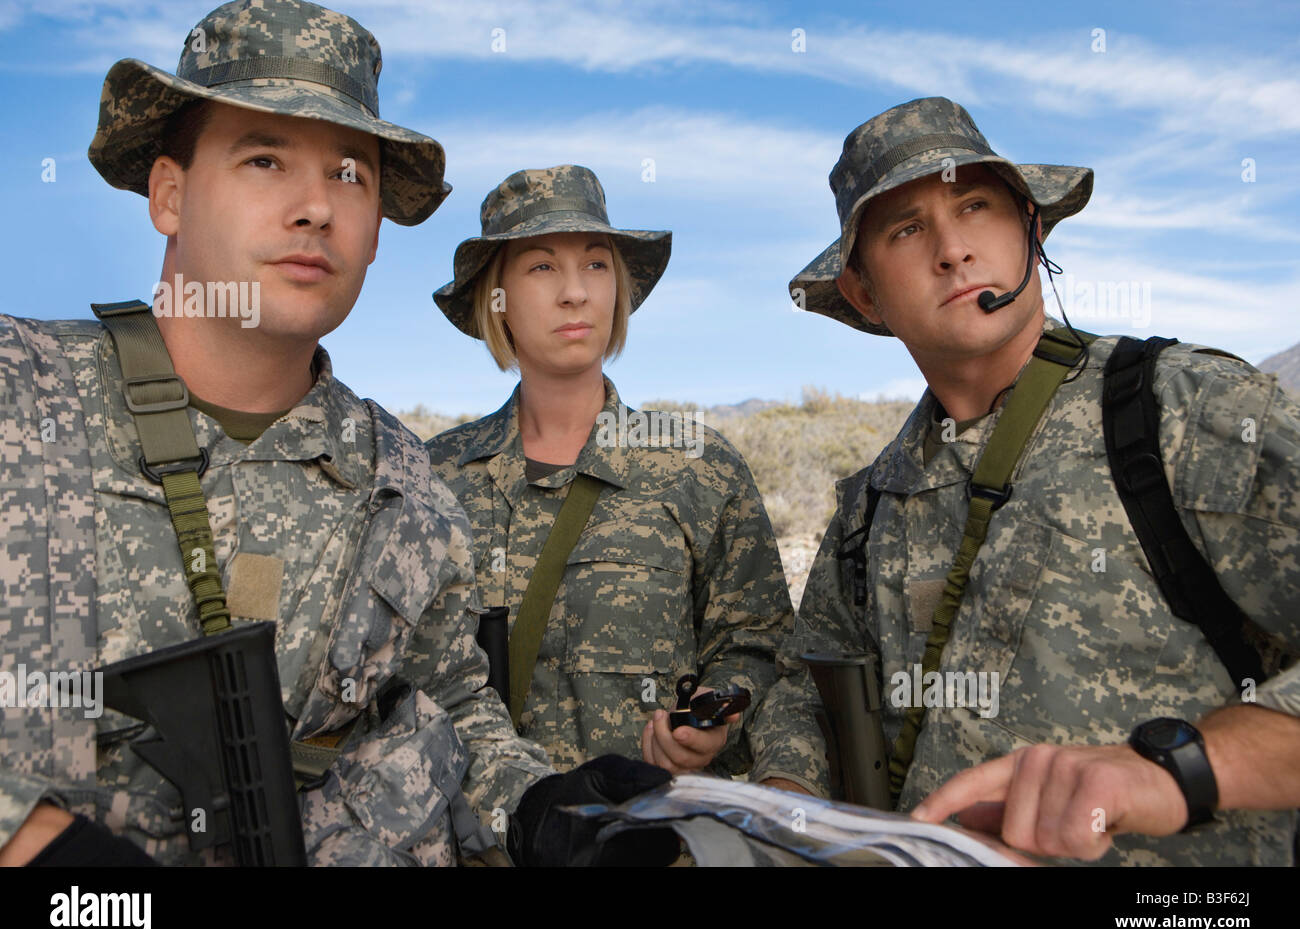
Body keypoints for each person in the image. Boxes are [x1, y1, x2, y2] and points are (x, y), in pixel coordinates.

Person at [0, 0, 579, 868]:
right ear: (169, 194)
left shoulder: (399, 478)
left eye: (351, 174)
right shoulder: (22, 390)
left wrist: (545, 808)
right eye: (264, 159)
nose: (316, 207)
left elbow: (451, 705)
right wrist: (39, 849)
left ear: (379, 227)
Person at [748, 96, 1300, 864]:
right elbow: (806, 689)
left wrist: (1178, 769)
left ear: (1032, 235)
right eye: (907, 229)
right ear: (865, 292)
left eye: (975, 207)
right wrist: (787, 798)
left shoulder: (1180, 411)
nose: (952, 250)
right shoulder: (870, 506)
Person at [425, 165, 793, 778]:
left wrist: (714, 724)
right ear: (498, 298)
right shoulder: (435, 477)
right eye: (542, 267)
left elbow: (760, 650)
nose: (576, 292)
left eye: (596, 265)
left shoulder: (697, 467)